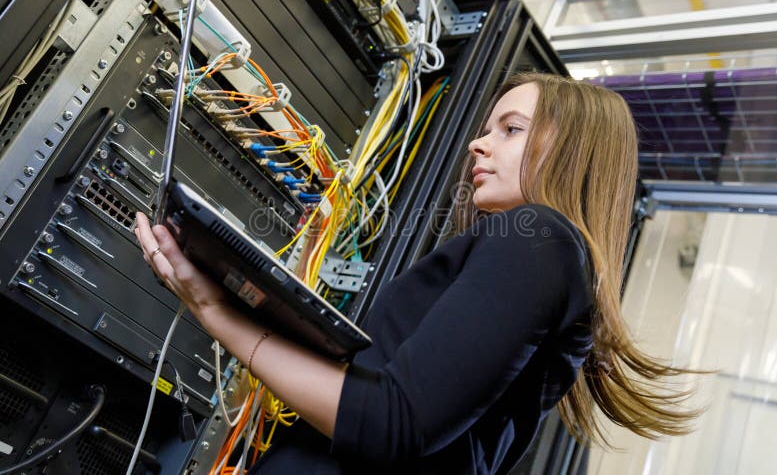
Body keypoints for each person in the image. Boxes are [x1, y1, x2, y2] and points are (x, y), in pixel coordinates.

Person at [134, 72, 701, 474]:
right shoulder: (542, 255)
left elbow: (391, 423)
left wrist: (215, 310)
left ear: (573, 151)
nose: (478, 143)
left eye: (511, 129)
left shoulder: (541, 238)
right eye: (487, 129)